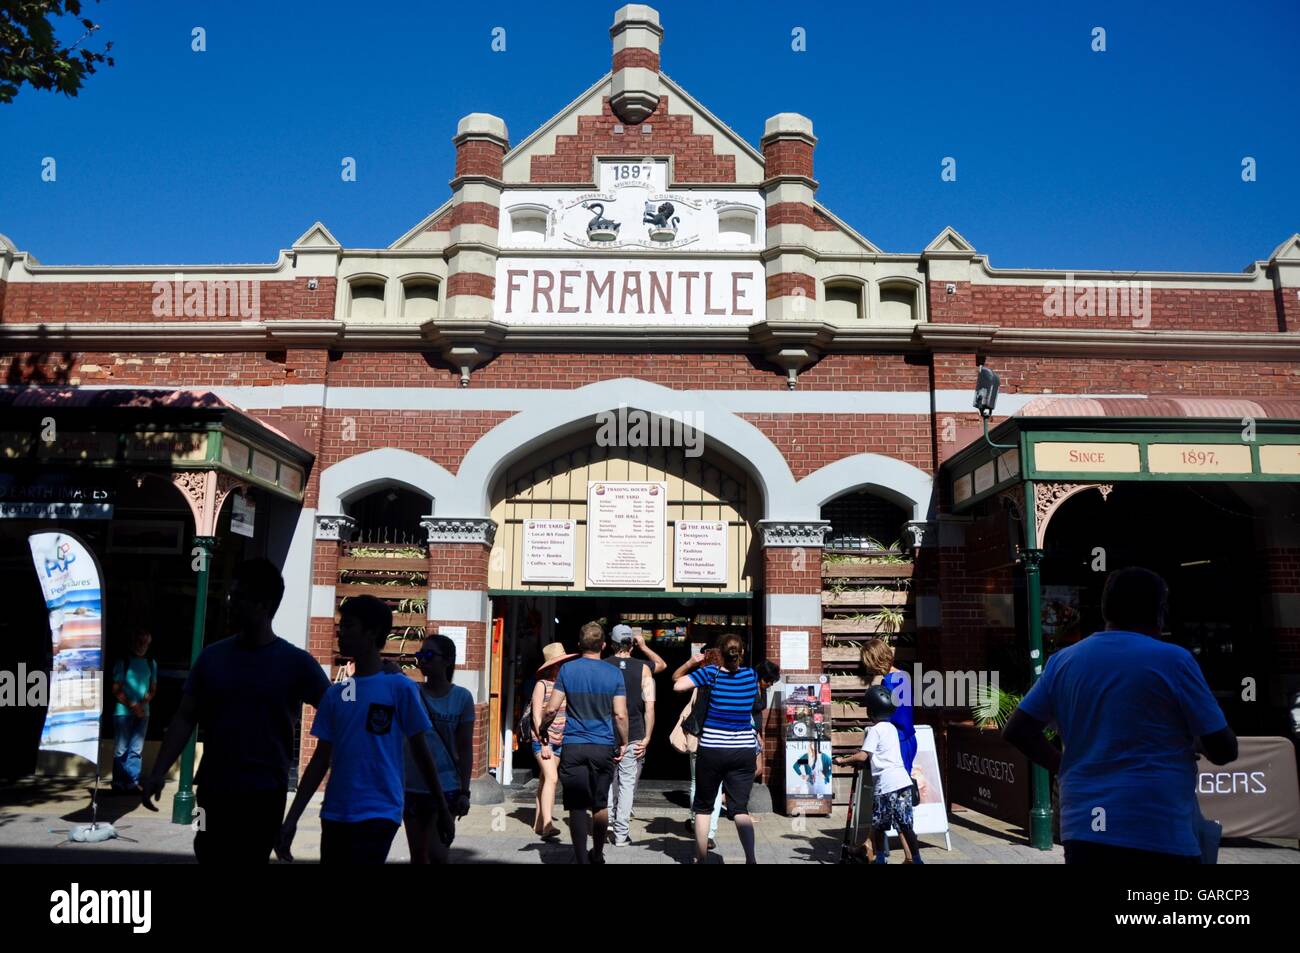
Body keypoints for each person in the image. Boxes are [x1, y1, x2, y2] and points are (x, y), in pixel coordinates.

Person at [1004, 567, 1238, 864]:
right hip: (1157, 827)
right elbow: (1224, 749)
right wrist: (1196, 741)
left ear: (1106, 610)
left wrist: (1065, 767)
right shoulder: (1173, 660)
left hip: (1086, 826)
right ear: (1158, 611)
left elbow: (1018, 730)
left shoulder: (1064, 661)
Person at [142, 559, 331, 864]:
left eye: (239, 596)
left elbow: (337, 712)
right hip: (213, 791)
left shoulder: (296, 664)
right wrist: (158, 772)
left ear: (263, 605)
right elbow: (184, 717)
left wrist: (376, 678)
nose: (230, 603)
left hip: (263, 796)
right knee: (208, 855)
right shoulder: (211, 658)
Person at [278, 595, 454, 864]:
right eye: (341, 627)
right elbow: (319, 760)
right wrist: (292, 819)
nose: (341, 634)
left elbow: (421, 751)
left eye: (349, 626)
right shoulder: (336, 695)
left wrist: (442, 807)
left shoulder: (400, 688)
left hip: (380, 811)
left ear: (372, 632)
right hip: (335, 812)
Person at [537, 622, 628, 864]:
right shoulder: (614, 673)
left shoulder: (568, 671)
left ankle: (580, 857)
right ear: (604, 645)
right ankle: (597, 854)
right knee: (599, 804)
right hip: (603, 745)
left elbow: (552, 708)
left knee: (576, 806)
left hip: (574, 745)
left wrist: (543, 729)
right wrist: (623, 742)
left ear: (579, 645)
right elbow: (620, 715)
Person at [672, 633, 760, 864]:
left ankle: (701, 858)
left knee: (703, 807)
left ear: (720, 652)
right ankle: (750, 858)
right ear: (742, 653)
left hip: (712, 749)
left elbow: (678, 685)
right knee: (740, 809)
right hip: (743, 750)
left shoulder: (711, 674)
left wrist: (693, 665)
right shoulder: (752, 676)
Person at [403, 634, 475, 864]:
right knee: (418, 856)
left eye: (429, 655)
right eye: (420, 655)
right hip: (412, 785)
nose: (422, 660)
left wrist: (465, 790)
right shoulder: (411, 692)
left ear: (447, 661)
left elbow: (465, 748)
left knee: (437, 854)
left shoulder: (462, 697)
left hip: (447, 786)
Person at [835, 684, 923, 863]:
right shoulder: (891, 728)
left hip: (886, 786)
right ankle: (916, 859)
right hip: (903, 782)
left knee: (879, 825)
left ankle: (881, 859)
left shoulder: (874, 731)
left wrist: (842, 761)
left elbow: (862, 755)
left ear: (872, 710)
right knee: (906, 825)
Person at [603, 624, 666, 847]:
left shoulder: (602, 666)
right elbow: (650, 707)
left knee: (608, 781)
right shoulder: (643, 669)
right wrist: (648, 737)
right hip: (635, 732)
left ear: (611, 643)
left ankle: (606, 825)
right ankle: (621, 835)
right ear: (631, 644)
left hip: (607, 732)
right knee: (627, 783)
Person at [860, 638, 914, 861]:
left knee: (891, 800)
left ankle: (910, 856)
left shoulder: (889, 683)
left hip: (896, 742)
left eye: (867, 661)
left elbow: (891, 719)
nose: (866, 666)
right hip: (908, 739)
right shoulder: (902, 676)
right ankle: (868, 847)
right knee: (890, 800)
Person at [530, 641, 576, 840]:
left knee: (544, 779)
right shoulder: (542, 685)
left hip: (560, 739)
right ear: (552, 666)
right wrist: (544, 743)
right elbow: (536, 717)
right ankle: (548, 826)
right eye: (560, 663)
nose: (563, 666)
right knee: (552, 778)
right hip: (544, 741)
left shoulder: (565, 685)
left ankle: (539, 823)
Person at [111, 627, 157, 793]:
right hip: (123, 713)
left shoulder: (151, 663)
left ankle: (132, 782)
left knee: (136, 750)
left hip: (143, 713)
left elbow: (153, 688)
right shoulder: (123, 662)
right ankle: (118, 782)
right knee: (121, 748)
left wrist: (147, 699)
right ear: (133, 642)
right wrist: (133, 705)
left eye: (145, 642)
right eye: (139, 641)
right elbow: (116, 689)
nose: (141, 645)